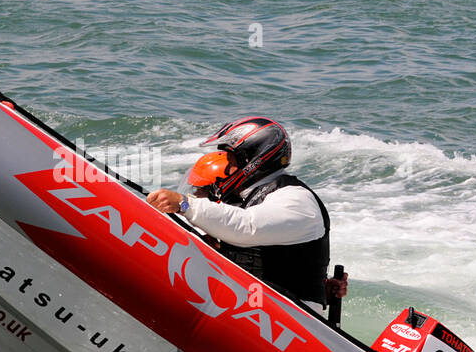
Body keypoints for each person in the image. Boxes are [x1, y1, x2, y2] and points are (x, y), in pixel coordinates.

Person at [146, 117, 347, 312]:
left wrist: (185, 204)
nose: (227, 168)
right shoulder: (249, 196)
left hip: (290, 319)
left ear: (251, 160)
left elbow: (247, 227)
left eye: (231, 160)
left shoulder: (296, 199)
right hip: (259, 306)